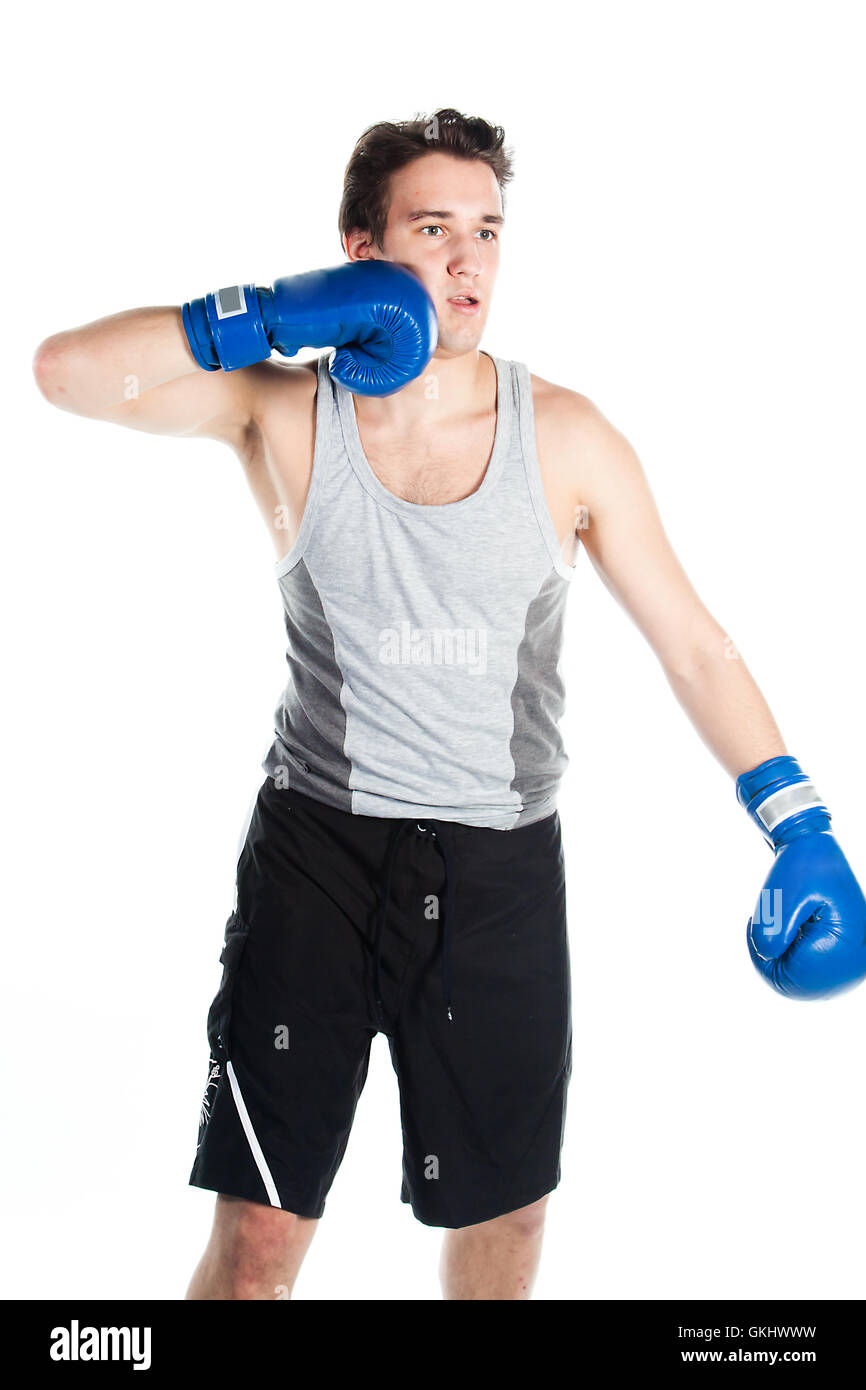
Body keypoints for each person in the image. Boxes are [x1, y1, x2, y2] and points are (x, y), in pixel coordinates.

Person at [32, 108, 866, 1301]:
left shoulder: (564, 435)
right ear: (359, 248)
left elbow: (691, 641)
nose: (467, 263)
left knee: (506, 1226)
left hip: (497, 871)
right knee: (260, 1242)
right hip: (315, 853)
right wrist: (270, 315)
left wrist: (797, 820)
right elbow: (68, 374)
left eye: (487, 231)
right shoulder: (277, 410)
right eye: (433, 229)